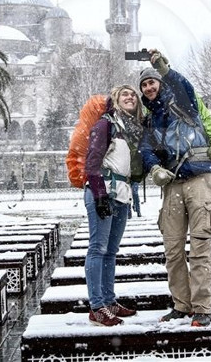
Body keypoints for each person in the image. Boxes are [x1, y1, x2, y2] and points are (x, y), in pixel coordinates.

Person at [138, 49, 211, 328]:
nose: (149, 88)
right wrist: (154, 167)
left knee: (199, 246)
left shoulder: (182, 104)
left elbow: (183, 85)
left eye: (152, 82)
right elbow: (146, 149)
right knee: (172, 248)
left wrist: (162, 67)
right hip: (172, 183)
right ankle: (181, 305)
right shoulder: (151, 120)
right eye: (144, 85)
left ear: (159, 83)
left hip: (198, 179)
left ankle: (202, 307)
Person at [83, 84, 144, 326]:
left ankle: (108, 301)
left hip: (120, 194)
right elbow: (92, 161)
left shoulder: (131, 129)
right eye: (125, 94)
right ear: (116, 101)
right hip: (104, 191)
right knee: (98, 248)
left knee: (111, 251)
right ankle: (96, 306)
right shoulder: (105, 124)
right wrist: (99, 195)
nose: (131, 97)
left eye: (133, 95)